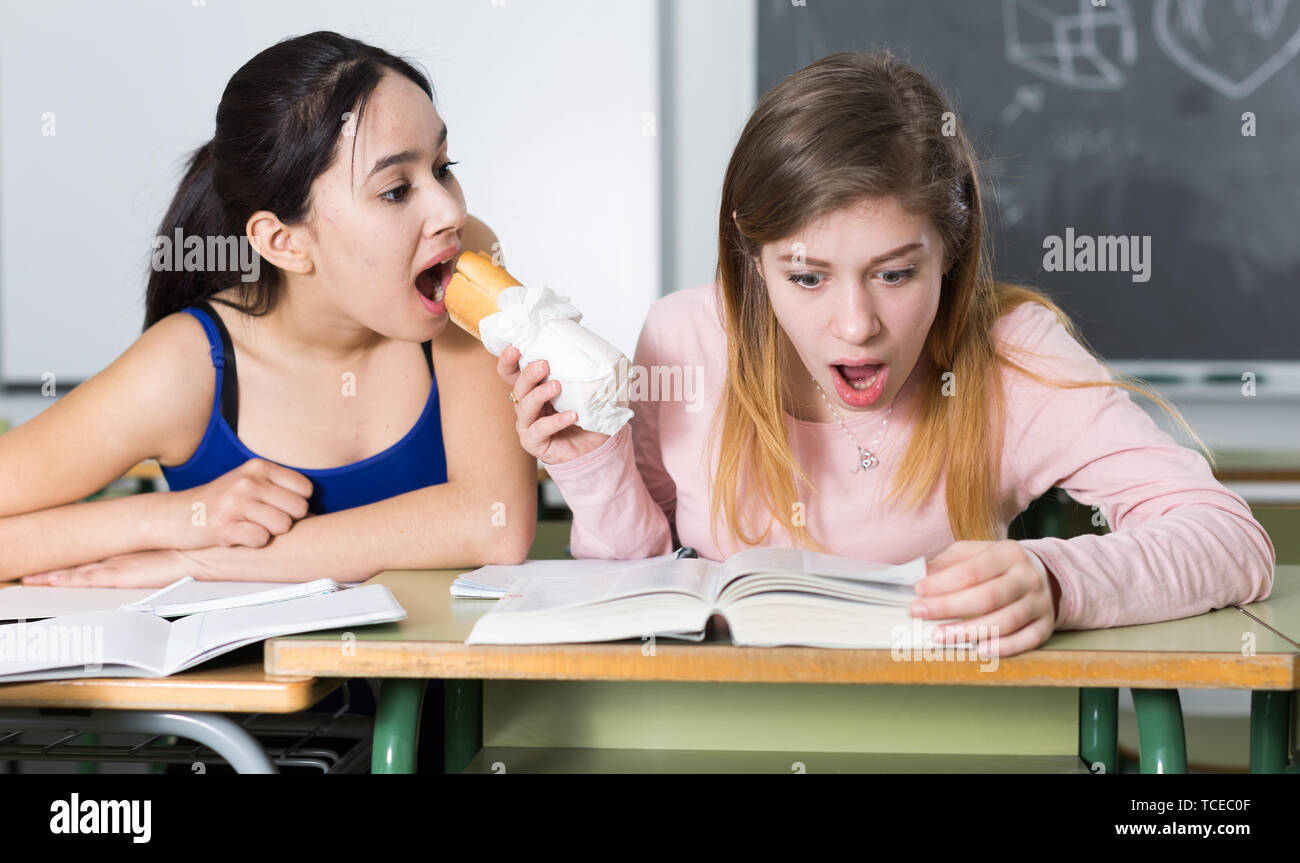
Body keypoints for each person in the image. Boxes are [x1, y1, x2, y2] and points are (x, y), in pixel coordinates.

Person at [498, 52, 1274, 657]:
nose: (856, 325)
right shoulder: (683, 338)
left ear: (951, 250)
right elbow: (638, 594)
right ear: (753, 262)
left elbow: (1230, 538)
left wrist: (1057, 577)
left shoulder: (1014, 356)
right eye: (806, 277)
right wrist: (592, 467)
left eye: (896, 273)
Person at [3, 31, 535, 587]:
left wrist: (203, 561)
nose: (449, 208)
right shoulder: (185, 367)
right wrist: (177, 519)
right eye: (396, 190)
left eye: (444, 166)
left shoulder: (460, 267)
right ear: (283, 242)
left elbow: (493, 523)